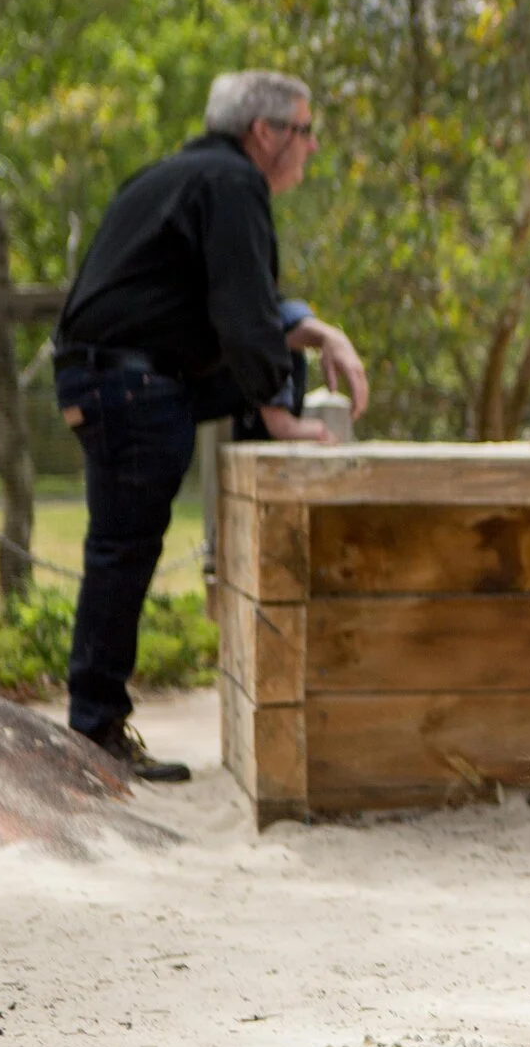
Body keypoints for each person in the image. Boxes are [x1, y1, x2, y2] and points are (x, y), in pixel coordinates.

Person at [52, 69, 369, 782]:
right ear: (265, 132)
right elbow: (242, 307)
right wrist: (282, 413)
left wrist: (315, 332)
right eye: (304, 131)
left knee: (119, 547)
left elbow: (251, 303)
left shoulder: (179, 173)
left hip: (110, 378)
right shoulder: (233, 185)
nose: (311, 147)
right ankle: (94, 727)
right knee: (123, 550)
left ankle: (253, 538)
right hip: (129, 383)